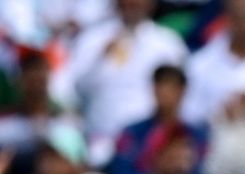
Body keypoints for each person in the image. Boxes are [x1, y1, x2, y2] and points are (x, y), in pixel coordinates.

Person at [54, 0, 188, 153]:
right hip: (98, 140)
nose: (132, 4)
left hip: (149, 144)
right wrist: (99, 58)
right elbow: (74, 92)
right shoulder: (92, 39)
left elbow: (181, 96)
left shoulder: (168, 44)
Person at [107, 64, 206, 174]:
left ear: (183, 91)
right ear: (153, 89)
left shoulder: (197, 136)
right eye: (160, 86)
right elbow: (121, 173)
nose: (165, 93)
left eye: (171, 87)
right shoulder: (132, 133)